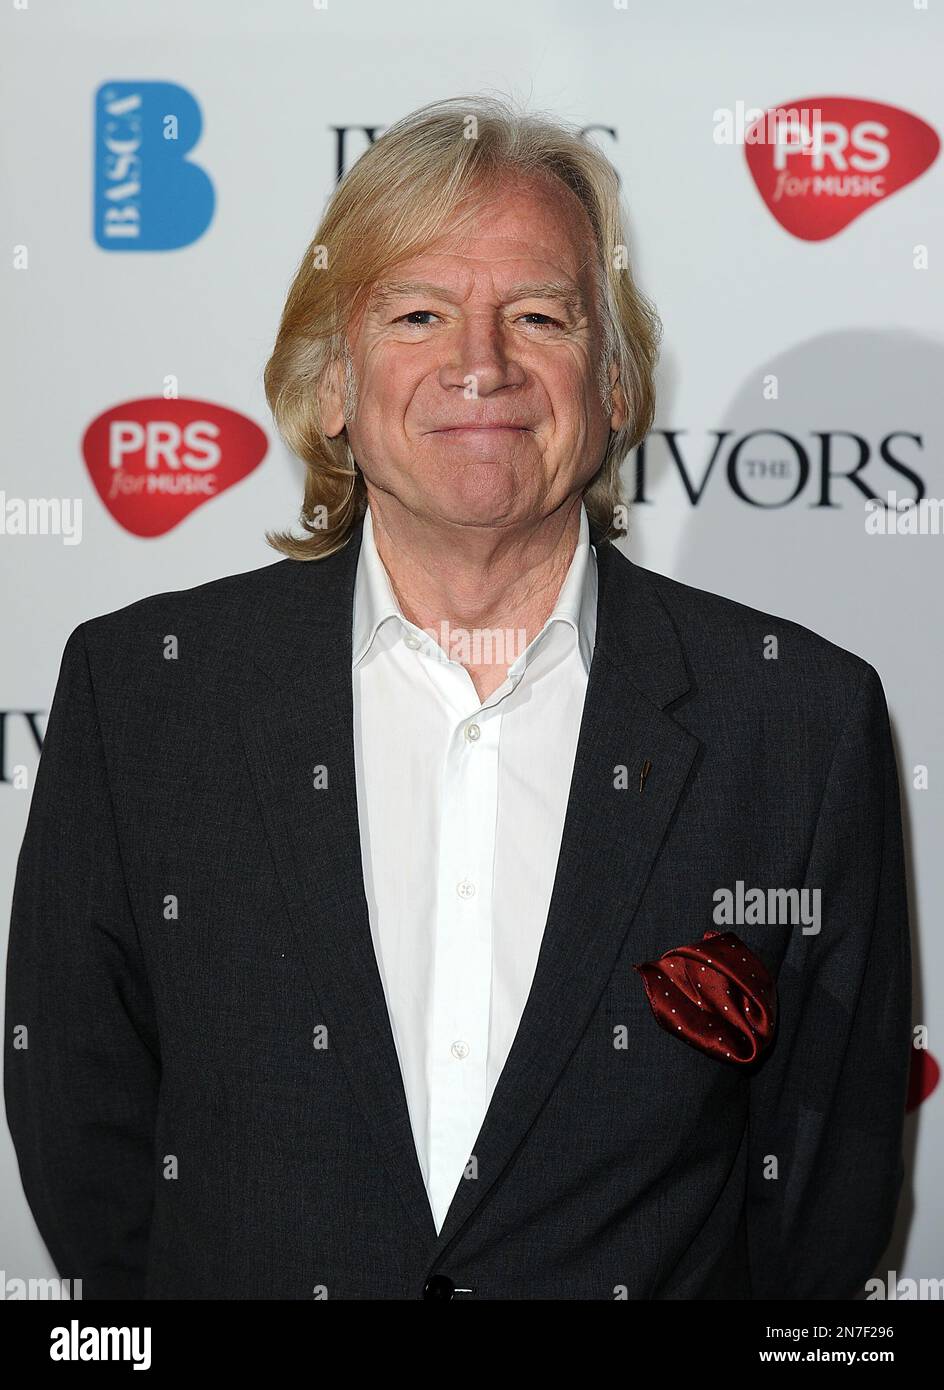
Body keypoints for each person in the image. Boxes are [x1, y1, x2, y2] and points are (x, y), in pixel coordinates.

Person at [4, 95, 912, 1299]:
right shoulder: (143, 697)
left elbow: (824, 1187)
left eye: (536, 316)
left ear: (616, 387)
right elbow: (84, 1128)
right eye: (418, 313)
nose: (479, 365)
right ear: (331, 385)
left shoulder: (796, 722)